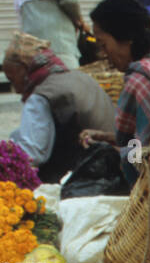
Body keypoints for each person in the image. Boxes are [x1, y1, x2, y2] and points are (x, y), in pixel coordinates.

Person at [78, 0, 150, 186]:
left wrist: (113, 153)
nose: (103, 54)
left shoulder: (141, 80)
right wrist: (106, 139)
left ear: (126, 37)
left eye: (104, 44)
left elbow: (145, 157)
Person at [3, 33, 115, 183]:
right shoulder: (80, 77)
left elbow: (33, 154)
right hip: (111, 165)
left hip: (86, 175)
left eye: (12, 79)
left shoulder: (41, 96)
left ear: (24, 69)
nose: (15, 89)